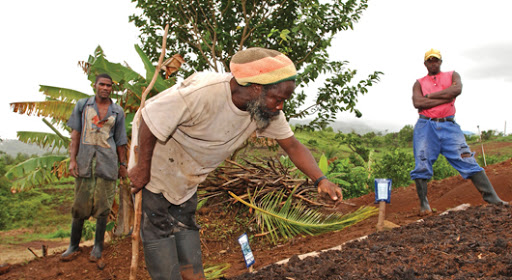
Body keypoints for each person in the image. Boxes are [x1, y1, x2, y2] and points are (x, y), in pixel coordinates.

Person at [128, 47, 342, 280]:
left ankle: (194, 277)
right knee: (158, 226)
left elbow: (291, 145)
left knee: (184, 220)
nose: (280, 107)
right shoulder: (202, 92)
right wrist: (141, 169)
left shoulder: (265, 110)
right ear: (257, 88)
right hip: (156, 158)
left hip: (188, 170)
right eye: (278, 99)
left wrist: (321, 179)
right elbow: (149, 119)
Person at [410, 48, 508, 215]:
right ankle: (424, 205)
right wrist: (444, 97)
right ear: (425, 63)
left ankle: (494, 200)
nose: (433, 63)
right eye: (430, 61)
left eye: (436, 60)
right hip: (426, 126)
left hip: (449, 126)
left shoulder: (453, 75)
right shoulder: (419, 83)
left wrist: (429, 97)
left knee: (467, 159)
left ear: (440, 62)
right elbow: (418, 103)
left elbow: (456, 90)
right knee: (422, 162)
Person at [61, 73, 128, 264]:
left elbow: (121, 141)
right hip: (84, 163)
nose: (105, 88)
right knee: (80, 205)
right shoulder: (83, 106)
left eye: (109, 85)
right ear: (95, 85)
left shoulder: (117, 112)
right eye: (102, 84)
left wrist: (122, 165)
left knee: (103, 206)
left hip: (107, 164)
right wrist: (72, 160)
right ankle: (73, 245)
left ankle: (98, 246)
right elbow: (75, 134)